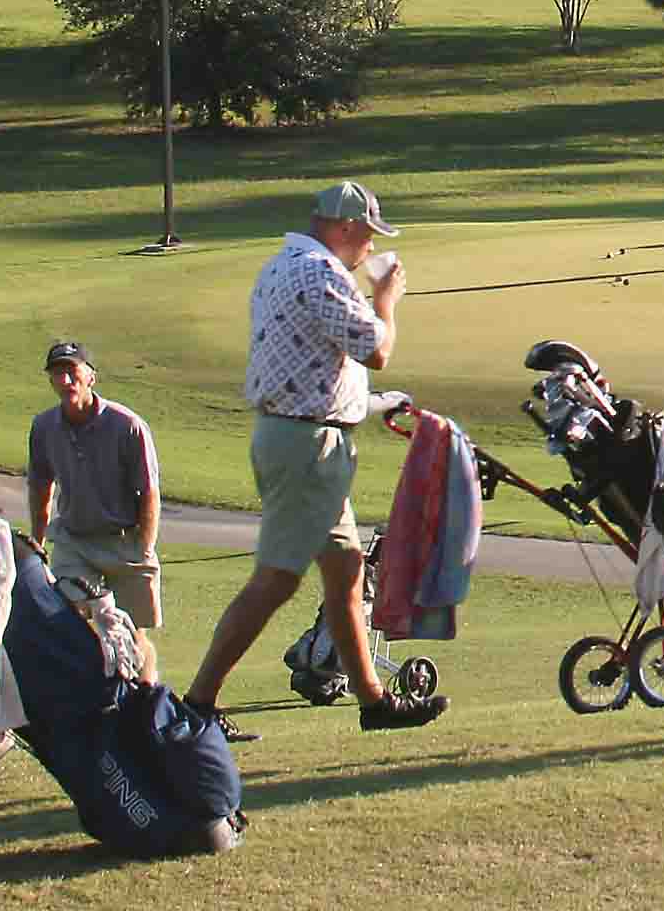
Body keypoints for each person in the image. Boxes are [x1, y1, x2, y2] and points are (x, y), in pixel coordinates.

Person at [183, 181, 448, 738]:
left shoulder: (281, 265)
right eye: (369, 236)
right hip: (308, 448)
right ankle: (198, 701)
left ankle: (373, 700)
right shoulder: (322, 273)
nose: (371, 248)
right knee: (276, 580)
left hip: (305, 439)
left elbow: (312, 366)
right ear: (345, 229)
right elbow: (376, 346)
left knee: (346, 573)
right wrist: (386, 301)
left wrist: (369, 403)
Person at [25, 341, 164, 681]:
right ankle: (89, 697)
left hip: (124, 541)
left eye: (72, 372)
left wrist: (144, 547)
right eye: (58, 373)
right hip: (74, 541)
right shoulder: (44, 427)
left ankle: (145, 701)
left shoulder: (127, 425)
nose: (65, 380)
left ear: (91, 377)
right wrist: (38, 543)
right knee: (71, 618)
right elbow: (41, 486)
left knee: (134, 634)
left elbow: (148, 493)